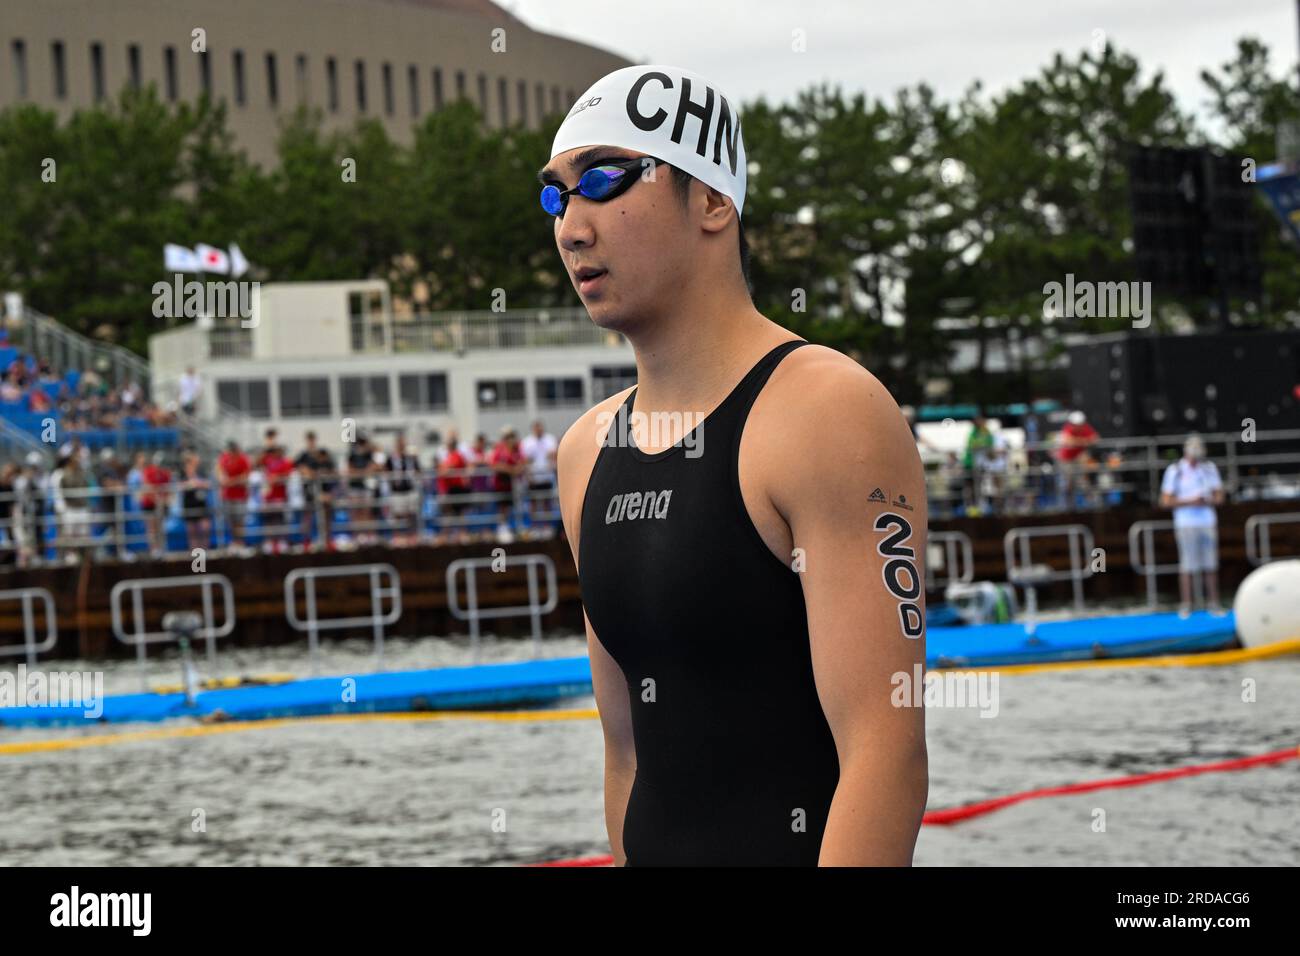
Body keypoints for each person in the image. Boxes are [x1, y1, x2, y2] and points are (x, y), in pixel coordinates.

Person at [542, 65, 927, 865]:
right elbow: (628, 758)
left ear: (714, 200)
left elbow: (885, 754)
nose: (573, 226)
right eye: (556, 195)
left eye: (605, 180)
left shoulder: (826, 411)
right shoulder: (584, 454)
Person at [1160, 434, 1225, 617]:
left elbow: (1220, 496)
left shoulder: (1209, 468)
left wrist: (1209, 500)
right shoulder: (1175, 470)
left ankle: (1213, 603)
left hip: (1207, 521)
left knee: (1210, 564)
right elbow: (1165, 501)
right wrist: (1190, 501)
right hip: (1186, 523)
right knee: (1187, 565)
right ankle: (1187, 604)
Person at [294, 431, 336, 548]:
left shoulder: (324, 456)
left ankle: (327, 539)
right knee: (307, 516)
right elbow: (298, 468)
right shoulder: (303, 456)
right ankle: (307, 541)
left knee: (326, 514)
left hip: (324, 491)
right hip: (309, 491)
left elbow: (331, 471)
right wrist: (310, 473)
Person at [489, 425, 527, 543]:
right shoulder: (499, 450)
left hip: (515, 485)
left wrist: (516, 469)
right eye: (507, 436)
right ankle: (503, 528)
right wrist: (511, 470)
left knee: (516, 505)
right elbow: (494, 465)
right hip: (501, 484)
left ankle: (518, 527)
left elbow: (522, 463)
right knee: (503, 508)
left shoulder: (517, 450)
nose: (510, 439)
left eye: (511, 436)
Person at [520, 419, 559, 529]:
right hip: (533, 478)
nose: (538, 430)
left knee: (547, 502)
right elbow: (525, 461)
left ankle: (547, 526)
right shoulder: (527, 442)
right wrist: (528, 476)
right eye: (536, 428)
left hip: (547, 477)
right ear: (533, 429)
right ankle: (534, 526)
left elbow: (554, 457)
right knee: (533, 503)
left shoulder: (550, 440)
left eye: (540, 427)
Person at [383, 434, 423, 543]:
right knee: (397, 514)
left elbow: (418, 470)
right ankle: (398, 536)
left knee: (412, 513)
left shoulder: (410, 457)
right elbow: (386, 471)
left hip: (409, 489)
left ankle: (412, 535)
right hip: (397, 491)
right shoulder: (391, 458)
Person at [1055, 410, 1099, 506]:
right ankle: (1068, 503)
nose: (1078, 426)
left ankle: (1090, 500)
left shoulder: (1086, 428)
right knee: (1069, 480)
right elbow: (1068, 441)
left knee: (1084, 477)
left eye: (1080, 424)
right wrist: (1084, 441)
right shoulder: (1067, 428)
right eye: (1076, 424)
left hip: (1078, 457)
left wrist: (1077, 441)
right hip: (1066, 459)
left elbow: (1095, 439)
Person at [216, 440, 252, 548]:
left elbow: (245, 477)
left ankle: (240, 542)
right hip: (227, 496)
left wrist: (232, 482)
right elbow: (220, 474)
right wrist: (225, 480)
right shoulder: (224, 458)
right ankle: (234, 541)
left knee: (240, 520)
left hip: (240, 496)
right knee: (230, 520)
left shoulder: (243, 459)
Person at [139, 452, 172, 557]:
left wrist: (163, 500)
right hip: (149, 503)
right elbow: (146, 487)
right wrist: (157, 499)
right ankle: (154, 549)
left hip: (160, 503)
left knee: (160, 526)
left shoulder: (166, 473)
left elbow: (168, 488)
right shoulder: (148, 471)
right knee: (151, 527)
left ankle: (161, 547)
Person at [179, 451, 212, 552]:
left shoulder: (201, 471)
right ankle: (194, 552)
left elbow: (208, 484)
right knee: (192, 530)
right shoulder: (183, 473)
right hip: (189, 503)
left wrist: (199, 484)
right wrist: (191, 484)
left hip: (201, 503)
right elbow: (181, 486)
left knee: (205, 527)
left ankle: (205, 550)